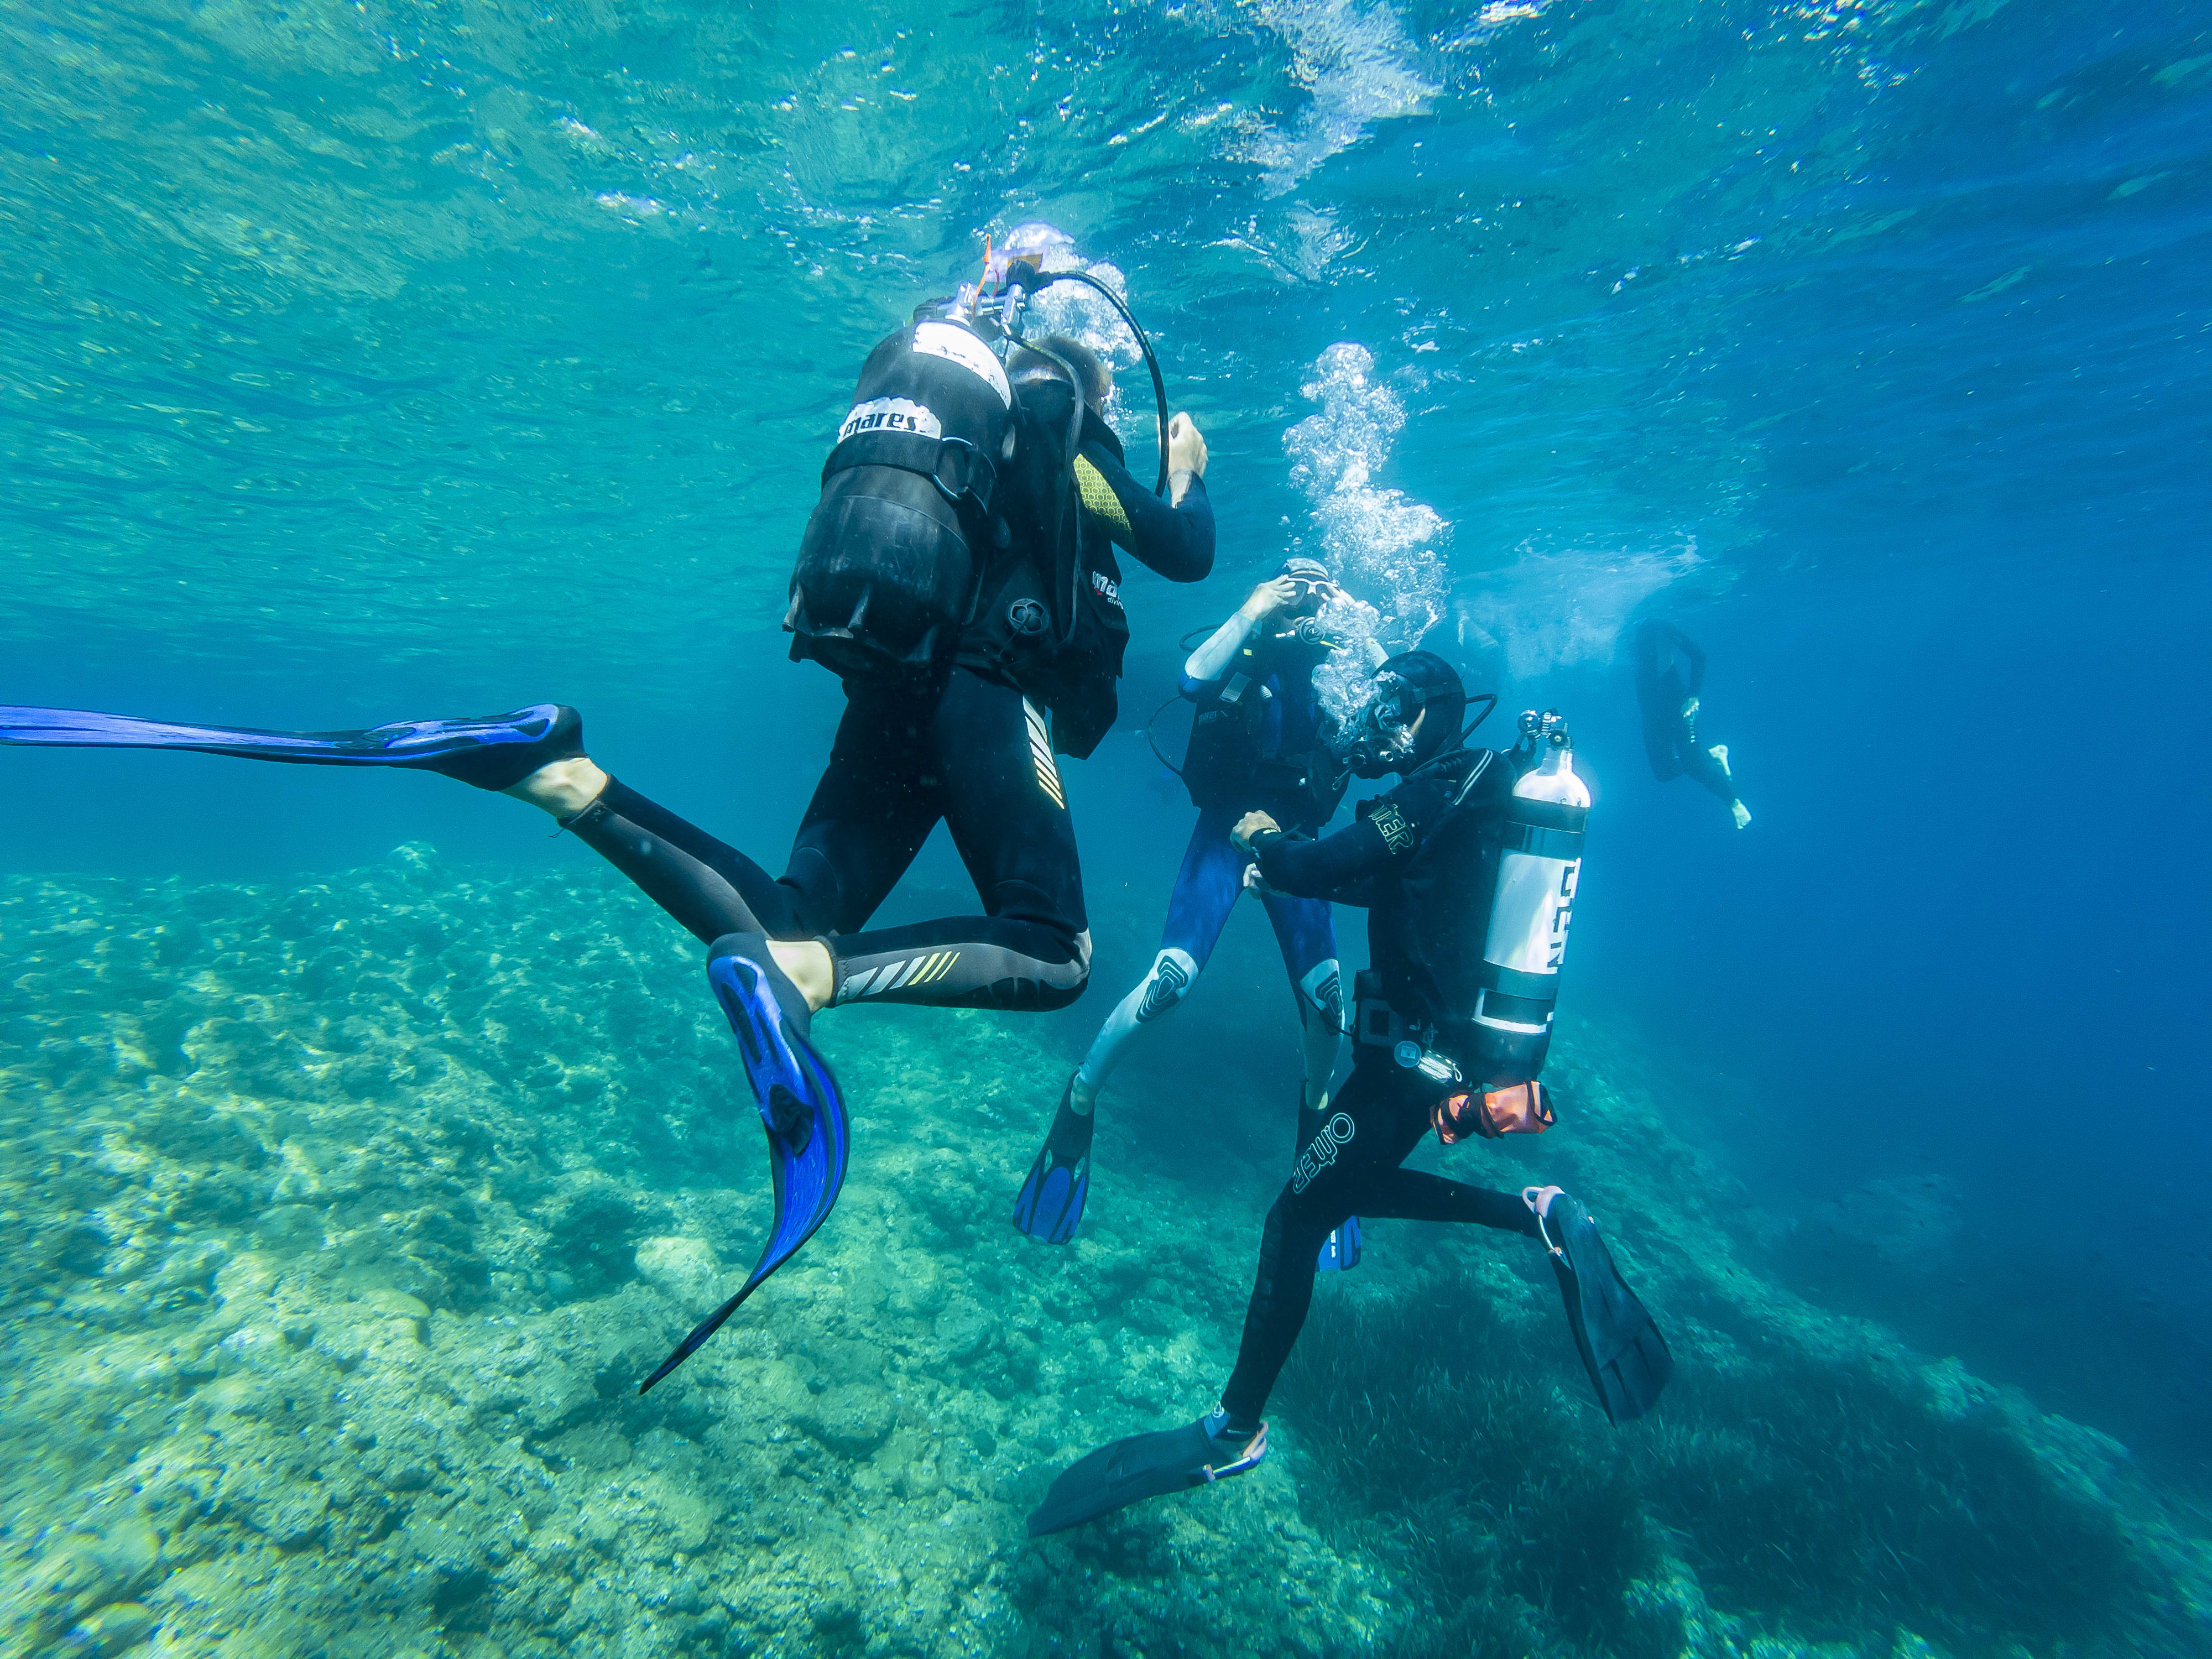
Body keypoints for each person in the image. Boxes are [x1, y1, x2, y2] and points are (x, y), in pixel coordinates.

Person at [0, 323, 1215, 1386]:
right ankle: (806, 983)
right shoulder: (1064, 442)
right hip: (985, 699)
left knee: (794, 910)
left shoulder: (963, 445)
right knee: (1053, 950)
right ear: (1084, 396)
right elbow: (1185, 548)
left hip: (889, 695)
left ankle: (560, 776)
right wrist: (1183, 471)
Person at [1024, 653, 1673, 1537]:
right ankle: (1538, 1214)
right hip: (1434, 1063)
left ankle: (1234, 1430)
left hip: (1410, 1070)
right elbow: (1383, 880)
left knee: (1295, 1219)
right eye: (1381, 705)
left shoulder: (1449, 780)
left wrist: (1263, 841)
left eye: (1400, 708)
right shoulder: (1477, 793)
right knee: (1337, 1193)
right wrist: (1295, 860)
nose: (1381, 724)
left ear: (1445, 714)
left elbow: (1332, 865)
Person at [1012, 557, 1359, 1269]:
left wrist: (1359, 623)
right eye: (1295, 592)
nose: (1305, 610)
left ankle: (1315, 1125)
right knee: (1169, 984)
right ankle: (1078, 1104)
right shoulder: (1246, 648)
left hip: (1293, 843)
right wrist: (1255, 606)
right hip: (1225, 833)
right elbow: (1191, 680)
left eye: (1313, 598)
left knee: (1328, 1005)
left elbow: (1393, 709)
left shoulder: (1337, 664)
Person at [1631, 618, 1750, 828]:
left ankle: (1735, 804)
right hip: (1650, 711)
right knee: (1664, 772)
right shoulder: (1628, 629)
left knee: (1694, 767)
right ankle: (1714, 753)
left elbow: (1699, 655)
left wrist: (1693, 696)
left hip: (1676, 706)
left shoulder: (1660, 626)